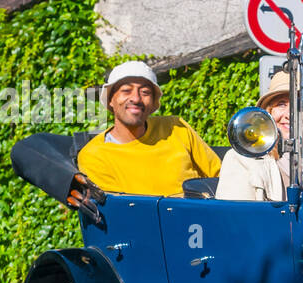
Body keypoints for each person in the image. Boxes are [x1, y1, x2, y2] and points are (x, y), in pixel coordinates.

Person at [76, 61, 220, 197]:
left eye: (145, 92)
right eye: (126, 91)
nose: (136, 99)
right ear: (110, 100)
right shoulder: (94, 156)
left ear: (153, 103)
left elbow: (219, 176)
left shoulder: (176, 127)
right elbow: (119, 211)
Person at [217, 72, 303, 201]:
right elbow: (236, 217)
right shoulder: (242, 160)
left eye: (301, 105)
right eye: (281, 104)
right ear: (268, 113)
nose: (290, 115)